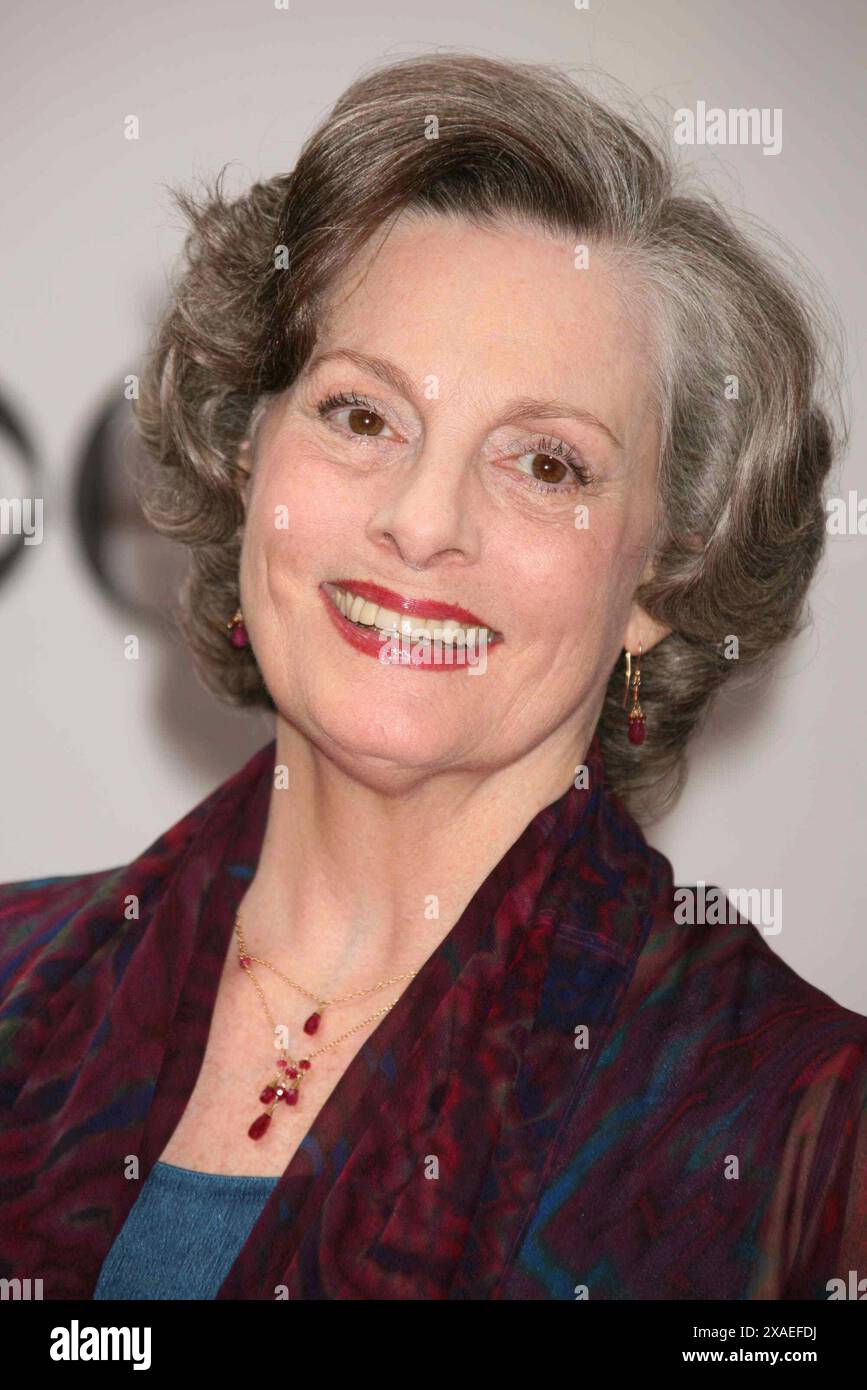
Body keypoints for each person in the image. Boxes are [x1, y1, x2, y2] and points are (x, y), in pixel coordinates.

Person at [1, 51, 864, 1302]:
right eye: (362, 416)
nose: (420, 519)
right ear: (251, 455)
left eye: (547, 464)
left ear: (662, 580)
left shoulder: (801, 1141)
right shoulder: (16, 978)